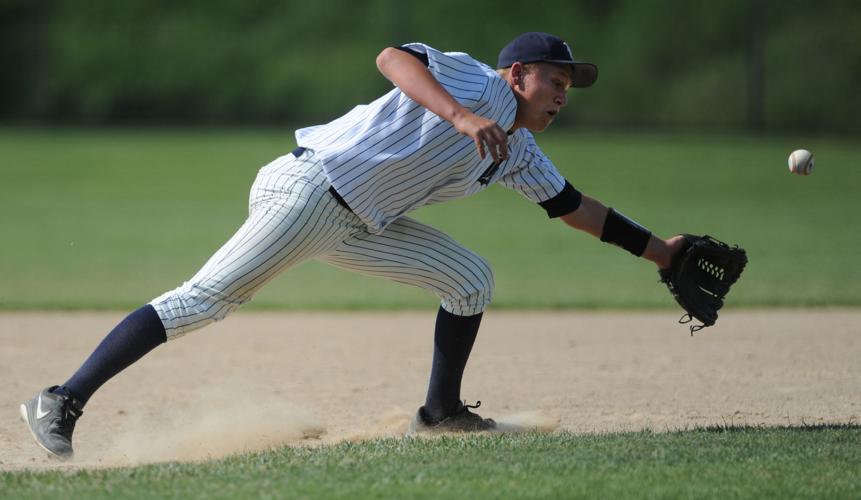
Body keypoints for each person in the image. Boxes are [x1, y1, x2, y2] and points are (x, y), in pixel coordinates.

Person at [20, 32, 685, 460]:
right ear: (516, 75)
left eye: (568, 88)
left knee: (469, 278)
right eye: (554, 81)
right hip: (310, 190)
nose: (562, 95)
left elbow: (573, 207)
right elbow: (392, 57)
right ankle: (62, 398)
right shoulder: (475, 84)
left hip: (361, 223)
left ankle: (440, 412)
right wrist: (458, 114)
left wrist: (662, 255)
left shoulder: (520, 152)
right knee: (204, 301)